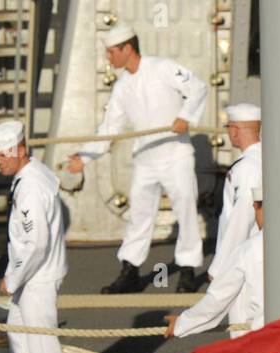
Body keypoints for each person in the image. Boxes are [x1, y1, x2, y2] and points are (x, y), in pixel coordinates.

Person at [66, 24, 207, 294]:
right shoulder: (122, 87)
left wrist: (186, 116)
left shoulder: (163, 68)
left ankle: (188, 270)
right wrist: (83, 157)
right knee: (139, 216)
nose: (108, 58)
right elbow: (109, 128)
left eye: (111, 52)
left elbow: (198, 87)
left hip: (176, 155)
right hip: (145, 158)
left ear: (127, 48)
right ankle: (129, 271)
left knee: (186, 210)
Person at [165, 185, 280, 338]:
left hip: (268, 343)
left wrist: (181, 324)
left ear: (261, 207)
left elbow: (217, 300)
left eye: (255, 208)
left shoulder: (248, 250)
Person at [0, 120, 68, 353]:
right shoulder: (33, 173)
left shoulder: (30, 187)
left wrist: (13, 278)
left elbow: (36, 243)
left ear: (20, 150)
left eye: (3, 156)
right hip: (32, 274)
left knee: (43, 352)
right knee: (19, 336)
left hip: (36, 278)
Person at [209, 103, 262, 280]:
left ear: (234, 131)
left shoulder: (246, 167)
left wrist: (220, 268)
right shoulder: (266, 158)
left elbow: (241, 218)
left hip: (244, 264)